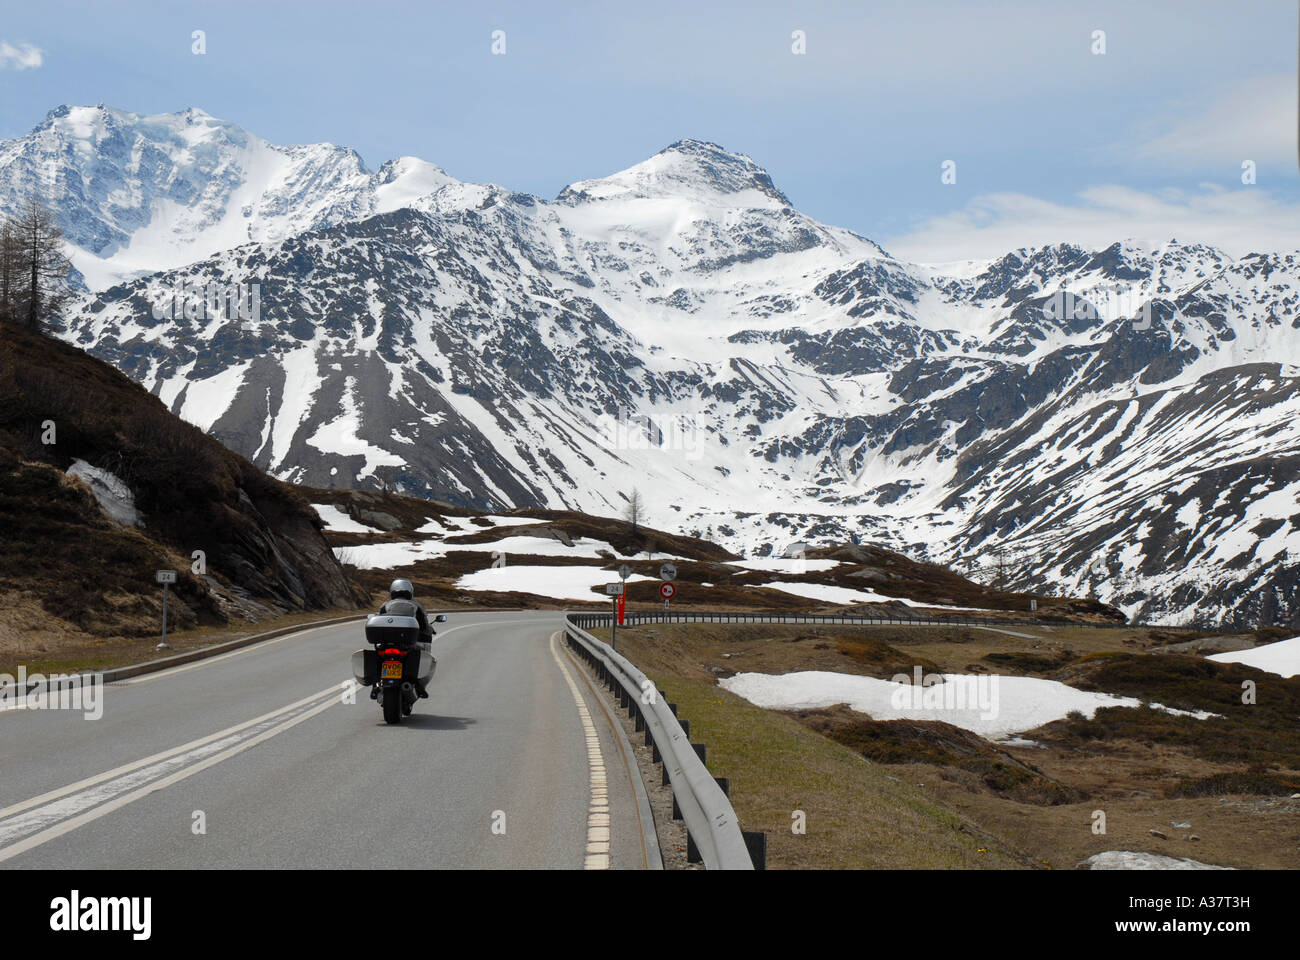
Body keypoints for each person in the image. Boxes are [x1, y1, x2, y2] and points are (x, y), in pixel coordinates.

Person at [378, 578, 434, 697]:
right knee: (424, 657)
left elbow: (379, 620)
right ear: (410, 591)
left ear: (392, 591)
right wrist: (429, 631)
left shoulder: (385, 605)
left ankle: (376, 685)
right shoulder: (416, 606)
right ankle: (419, 686)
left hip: (387, 643)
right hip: (408, 644)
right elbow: (424, 626)